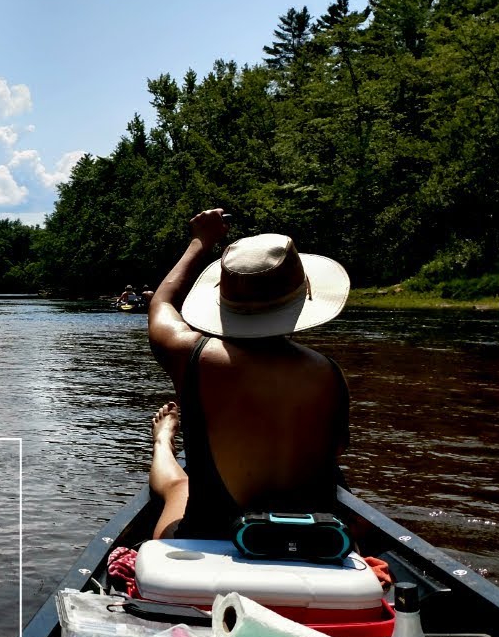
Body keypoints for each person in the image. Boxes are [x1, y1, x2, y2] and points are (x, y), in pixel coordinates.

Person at [145, 208, 351, 540]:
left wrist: (200, 240)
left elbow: (161, 304)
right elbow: (336, 451)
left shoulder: (189, 355)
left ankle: (161, 441)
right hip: (308, 541)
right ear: (301, 298)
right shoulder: (328, 372)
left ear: (221, 300)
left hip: (208, 536)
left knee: (179, 485)